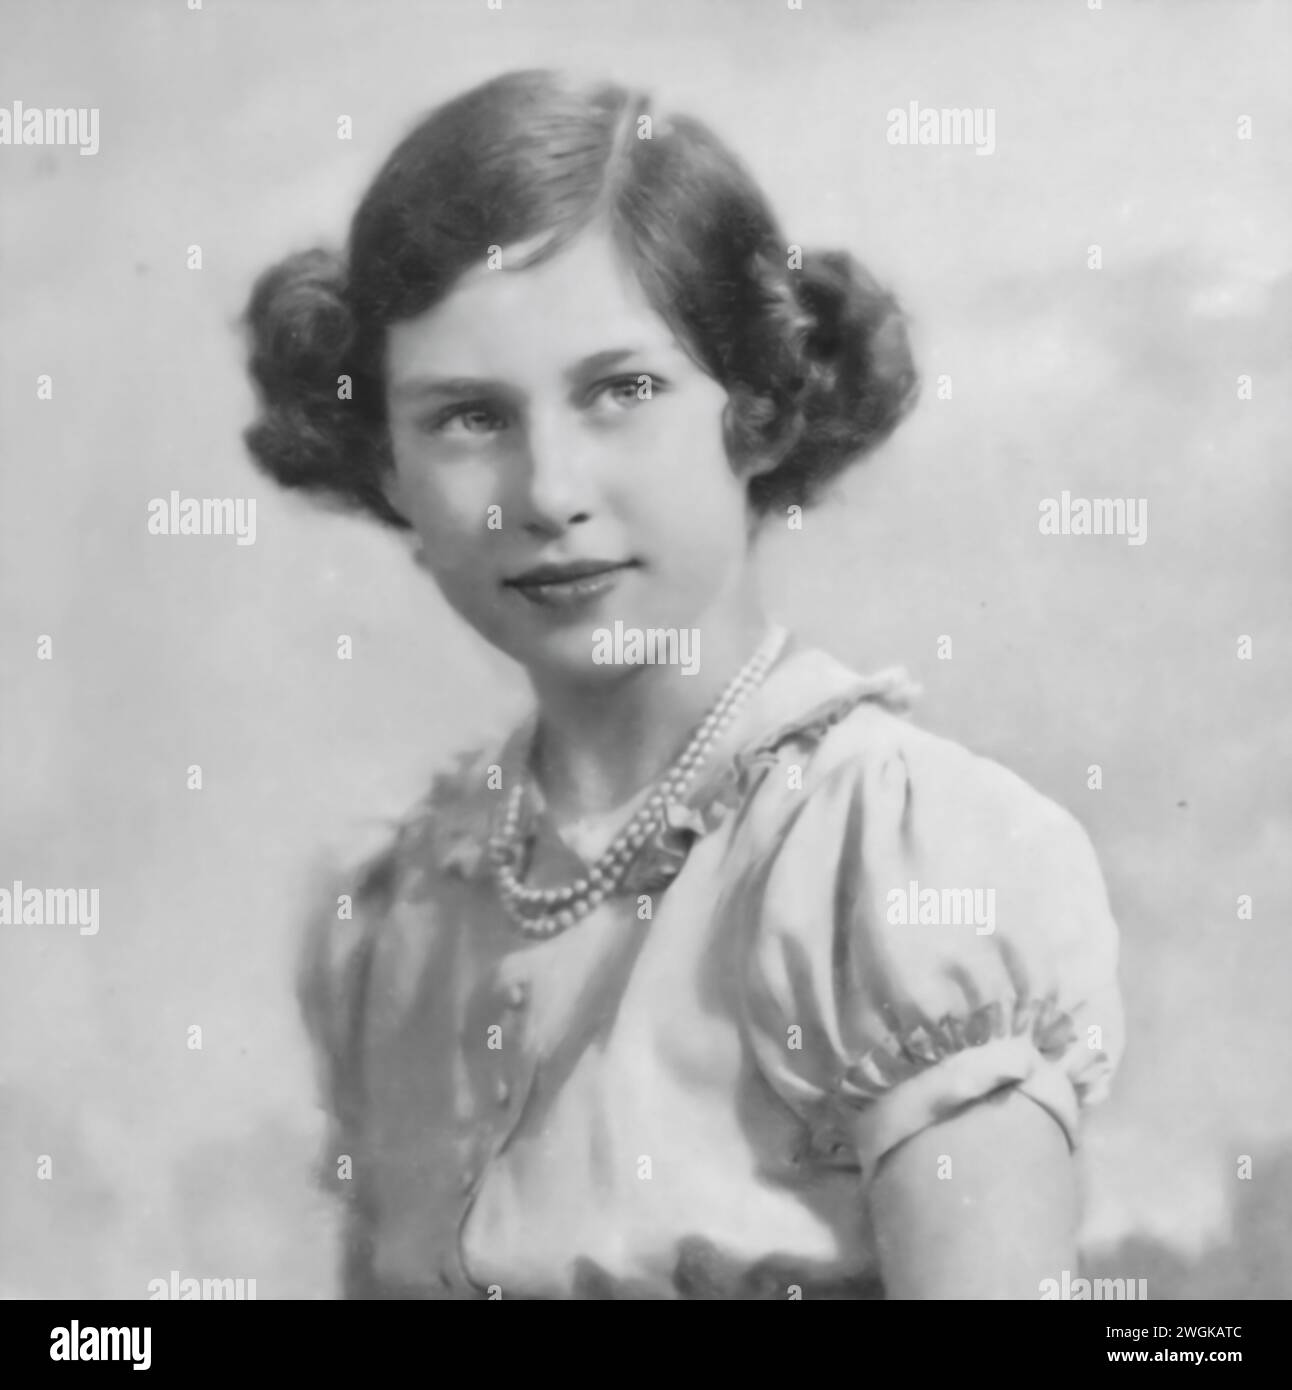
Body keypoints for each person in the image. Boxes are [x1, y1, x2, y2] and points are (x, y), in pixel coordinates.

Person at [242, 68, 1123, 1299]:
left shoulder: (886, 860)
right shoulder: (399, 915)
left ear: (755, 409)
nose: (549, 490)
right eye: (467, 416)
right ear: (385, 462)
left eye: (622, 390)